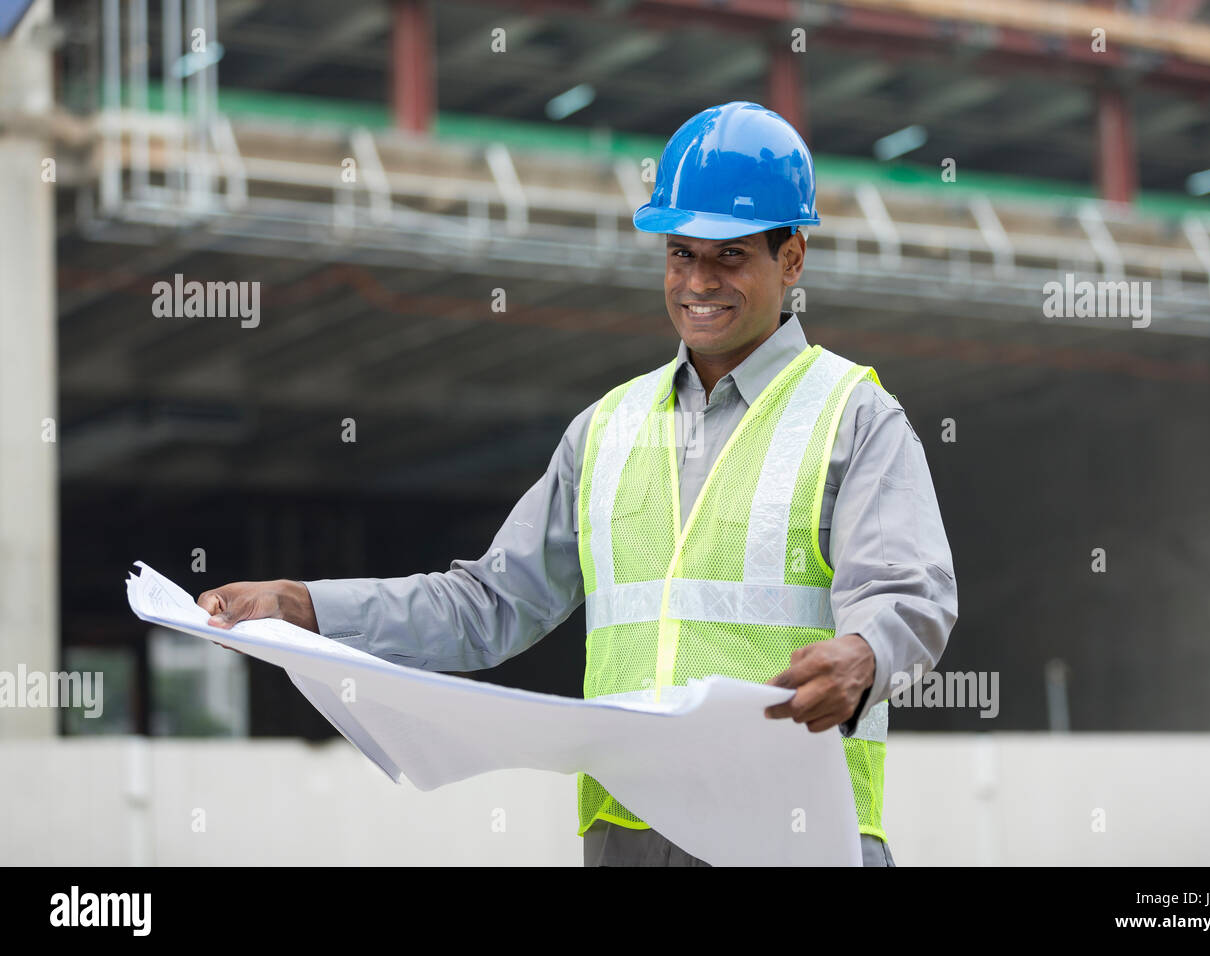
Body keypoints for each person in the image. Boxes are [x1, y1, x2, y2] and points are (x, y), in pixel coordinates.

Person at [198, 101, 958, 867]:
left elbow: (911, 596)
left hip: (792, 832)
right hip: (627, 837)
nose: (698, 282)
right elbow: (488, 605)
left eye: (729, 257)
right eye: (679, 254)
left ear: (791, 259)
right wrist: (306, 607)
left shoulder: (852, 415)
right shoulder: (606, 428)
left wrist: (864, 656)